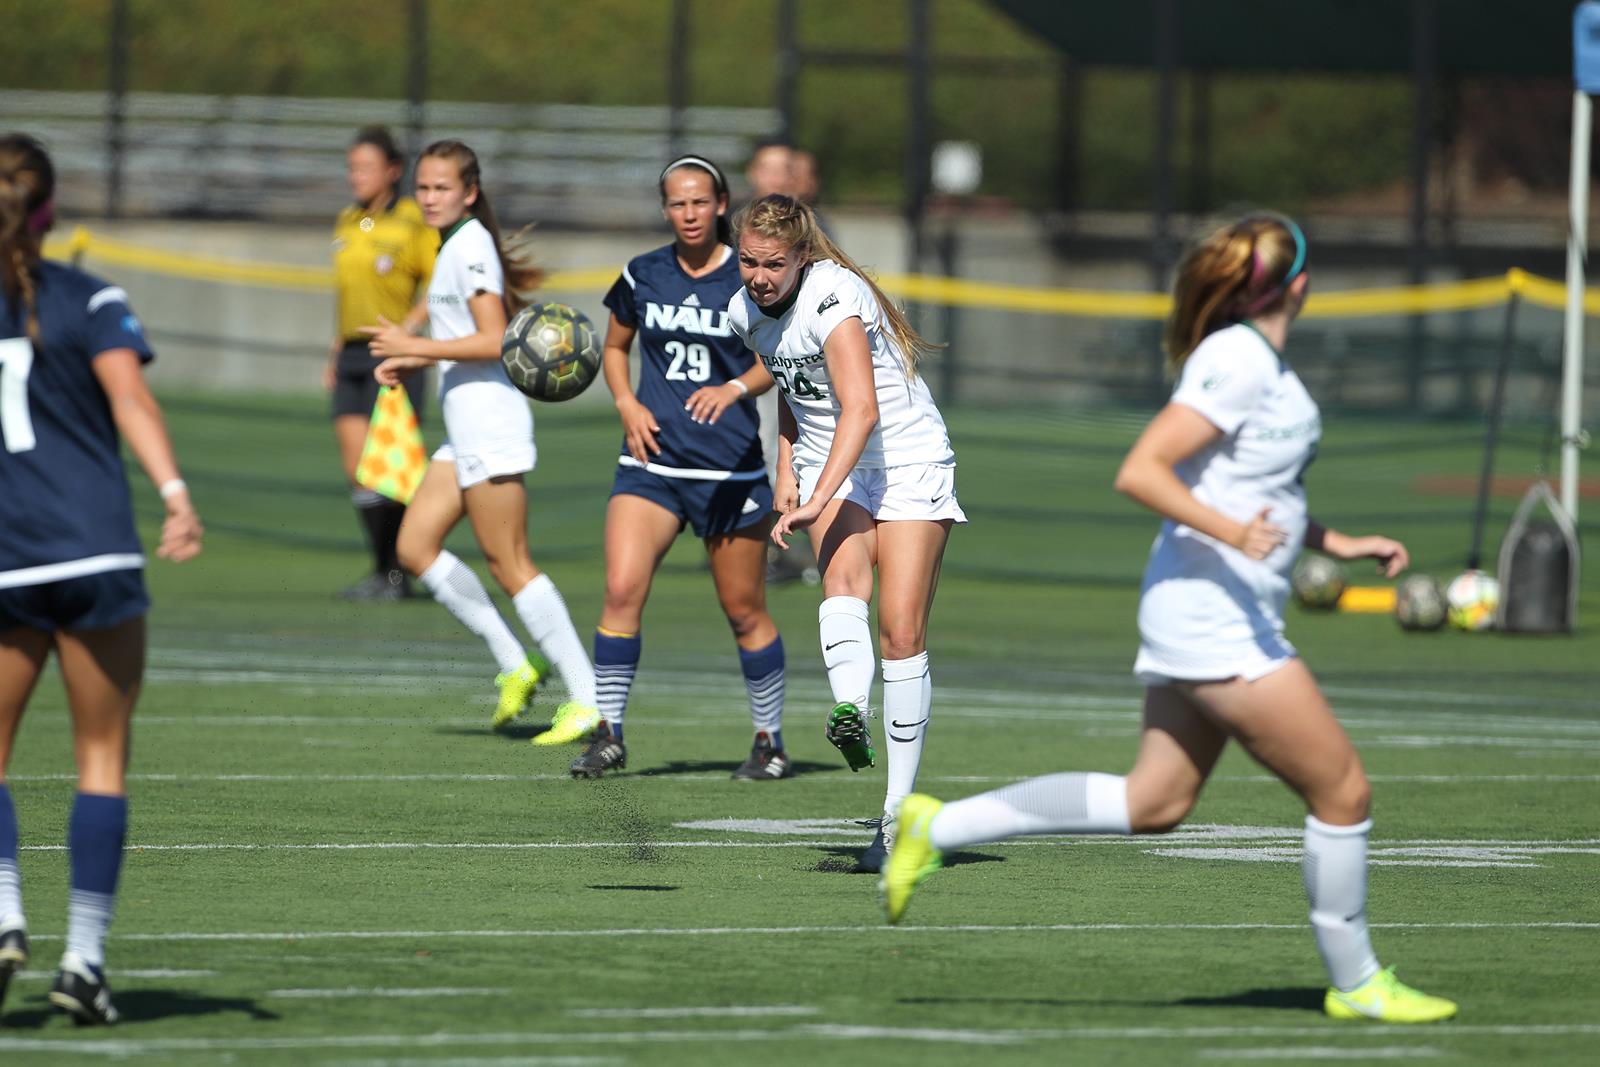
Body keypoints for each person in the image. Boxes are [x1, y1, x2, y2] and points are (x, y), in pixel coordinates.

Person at [880, 215, 1458, 1024]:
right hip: (1211, 615)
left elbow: (1255, 486)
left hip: (1217, 607)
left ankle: (937, 824)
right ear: (1298, 283)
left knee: (1154, 801)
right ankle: (1357, 980)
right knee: (1343, 789)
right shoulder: (1236, 360)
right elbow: (1143, 469)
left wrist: (1336, 539)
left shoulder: (1258, 361)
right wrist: (1233, 534)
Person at [0, 133, 204, 1025]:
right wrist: (175, 495)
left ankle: (3, 913)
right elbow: (133, 399)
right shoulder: (89, 295)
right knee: (100, 762)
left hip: (5, 558)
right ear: (48, 213)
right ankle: (83, 962)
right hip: (94, 552)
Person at [726, 194, 965, 870]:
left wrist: (815, 496)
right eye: (748, 261)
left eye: (774, 263)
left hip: (905, 457)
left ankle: (894, 825)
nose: (759, 276)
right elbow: (794, 392)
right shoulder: (744, 311)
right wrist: (785, 473)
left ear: (802, 255)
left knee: (900, 631)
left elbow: (860, 408)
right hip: (828, 460)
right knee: (842, 580)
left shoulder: (834, 292)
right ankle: (851, 712)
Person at [365, 140, 598, 744]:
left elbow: (496, 339)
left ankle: (588, 699)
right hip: (463, 429)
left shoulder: (470, 247)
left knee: (510, 564)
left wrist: (412, 349)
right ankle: (516, 661)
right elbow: (450, 321)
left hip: (491, 426)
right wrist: (411, 346)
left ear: (469, 191)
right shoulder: (454, 245)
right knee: (415, 548)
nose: (430, 197)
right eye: (423, 187)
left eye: (442, 188)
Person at [570, 156, 788, 781]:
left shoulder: (749, 276)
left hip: (728, 471)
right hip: (652, 465)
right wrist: (627, 402)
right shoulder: (643, 274)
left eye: (699, 202)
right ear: (664, 209)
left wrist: (736, 390)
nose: (688, 213)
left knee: (743, 609)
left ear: (722, 204)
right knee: (620, 591)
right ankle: (608, 732)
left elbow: (778, 359)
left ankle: (769, 741)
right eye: (676, 203)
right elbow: (614, 346)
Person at [325, 126, 436, 601]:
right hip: (351, 353)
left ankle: (405, 567)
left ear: (393, 171)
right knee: (358, 470)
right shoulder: (350, 220)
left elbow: (437, 282)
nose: (356, 176)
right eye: (352, 167)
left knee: (392, 467)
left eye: (366, 167)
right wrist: (335, 348)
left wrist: (409, 329)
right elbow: (348, 293)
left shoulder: (413, 220)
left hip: (393, 353)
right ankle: (385, 570)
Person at [741, 141, 820, 587]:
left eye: (785, 168)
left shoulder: (810, 230)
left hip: (799, 370)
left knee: (790, 454)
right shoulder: (739, 228)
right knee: (763, 451)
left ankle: (791, 547)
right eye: (767, 167)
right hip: (758, 365)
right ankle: (760, 542)